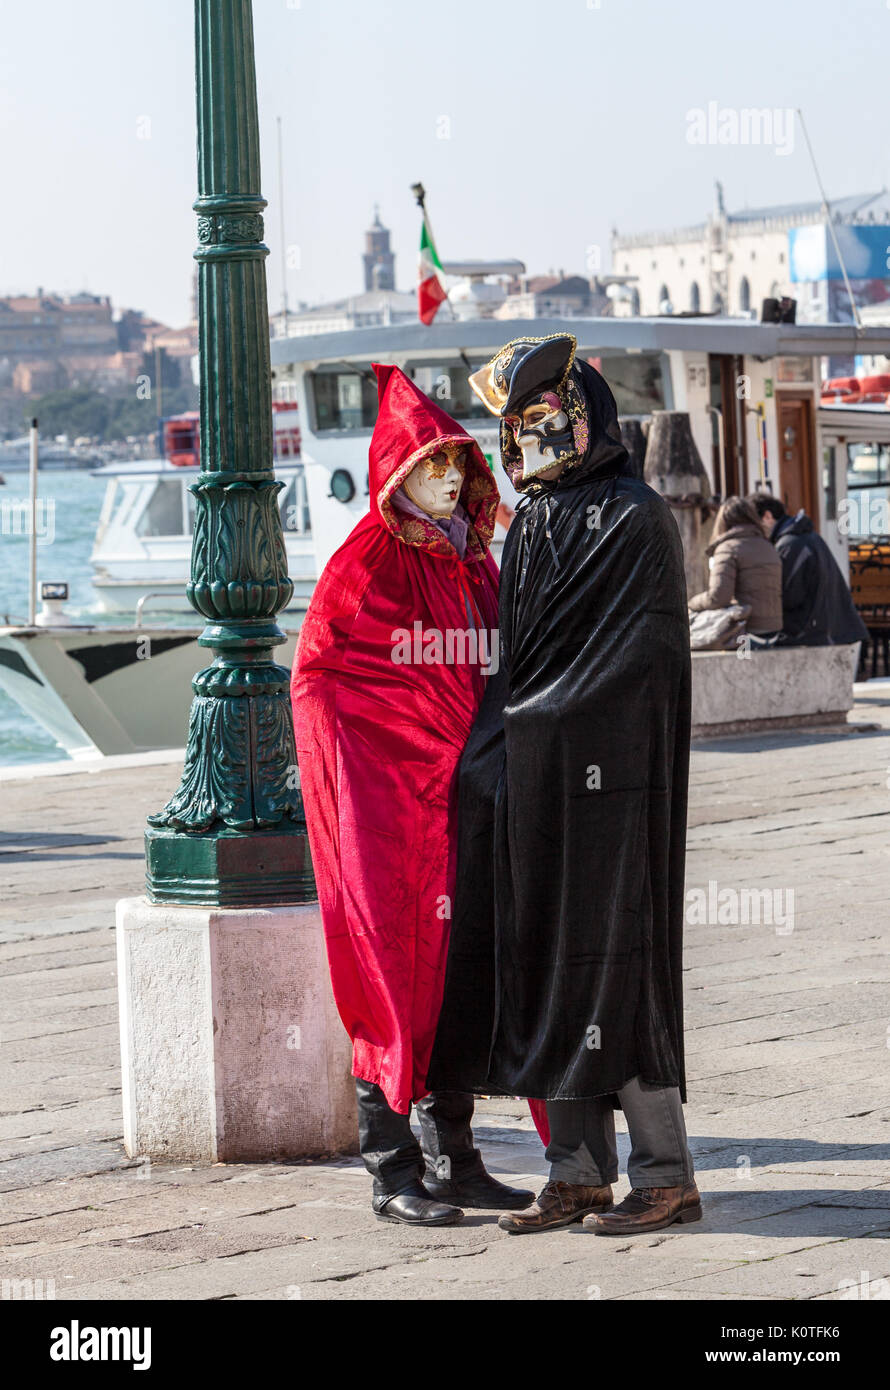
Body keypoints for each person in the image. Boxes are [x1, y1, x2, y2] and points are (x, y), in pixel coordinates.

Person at [427, 334, 701, 1237]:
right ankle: (576, 1173)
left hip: (616, 788)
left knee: (619, 974)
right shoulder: (538, 523)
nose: (531, 440)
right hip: (537, 783)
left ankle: (665, 1174)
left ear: (586, 417)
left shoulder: (636, 516)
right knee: (546, 967)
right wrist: (496, 755)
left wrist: (551, 723)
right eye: (519, 426)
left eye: (546, 421)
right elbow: (521, 662)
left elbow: (643, 660)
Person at [291, 365, 532, 1227]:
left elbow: (501, 667)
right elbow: (323, 680)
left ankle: (457, 1158)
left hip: (466, 805)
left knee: (464, 975)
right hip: (389, 812)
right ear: (395, 474)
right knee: (390, 969)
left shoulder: (475, 564)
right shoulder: (365, 560)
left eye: (455, 466)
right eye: (428, 464)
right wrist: (389, 762)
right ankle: (392, 1171)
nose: (445, 479)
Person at [748, 493, 868, 646]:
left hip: (817, 635)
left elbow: (786, 596)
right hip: (834, 630)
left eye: (754, 525)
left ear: (767, 516)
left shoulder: (790, 545)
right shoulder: (804, 537)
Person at [689, 495, 782, 637]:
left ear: (722, 521)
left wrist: (691, 603)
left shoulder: (728, 548)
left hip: (745, 631)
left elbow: (718, 597)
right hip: (773, 629)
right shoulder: (768, 545)